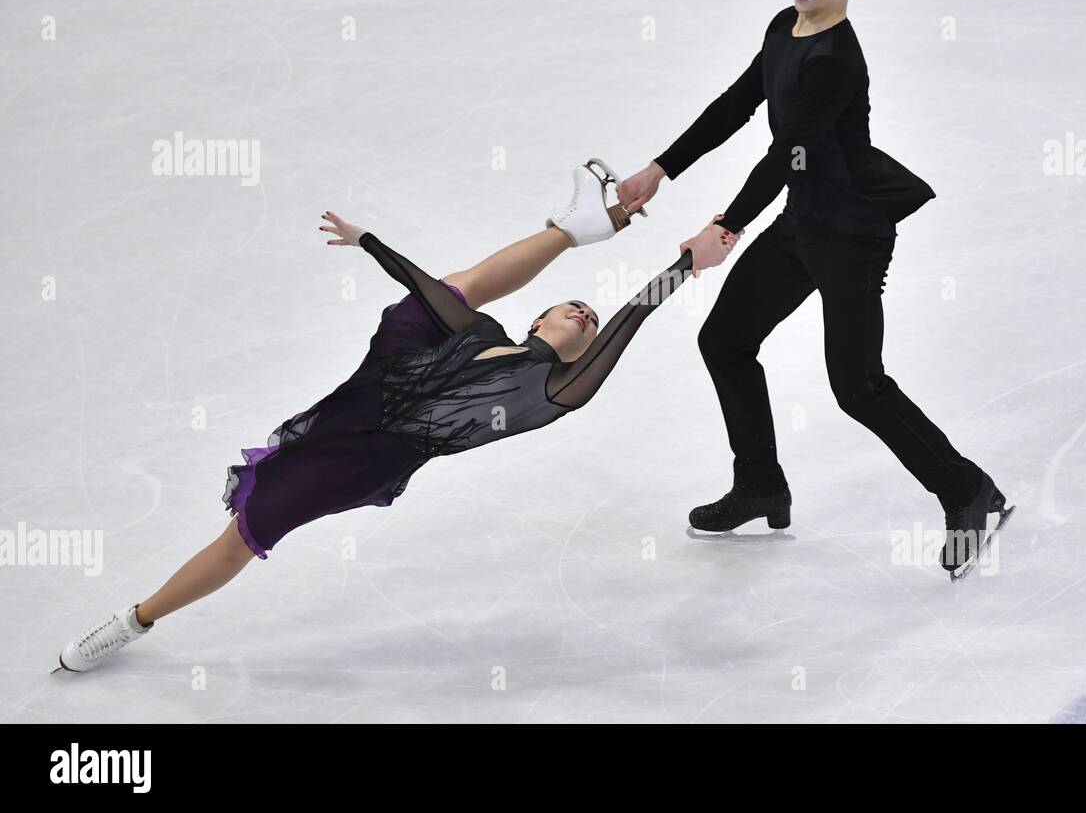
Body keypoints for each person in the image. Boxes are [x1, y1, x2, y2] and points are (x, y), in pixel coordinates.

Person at [54, 160, 741, 672]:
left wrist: (686, 263)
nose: (585, 316)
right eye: (572, 307)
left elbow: (632, 316)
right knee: (455, 293)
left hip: (376, 453)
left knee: (246, 533)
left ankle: (133, 620)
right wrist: (369, 241)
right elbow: (426, 287)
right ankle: (574, 229)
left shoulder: (557, 389)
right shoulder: (477, 331)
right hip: (383, 384)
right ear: (537, 315)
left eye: (586, 324)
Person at [617, 0, 1013, 578]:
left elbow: (785, 154)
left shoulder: (835, 60)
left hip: (852, 230)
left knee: (857, 386)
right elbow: (735, 103)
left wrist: (727, 226)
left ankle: (968, 489)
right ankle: (761, 486)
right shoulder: (784, 27)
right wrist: (658, 170)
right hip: (804, 221)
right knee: (726, 340)